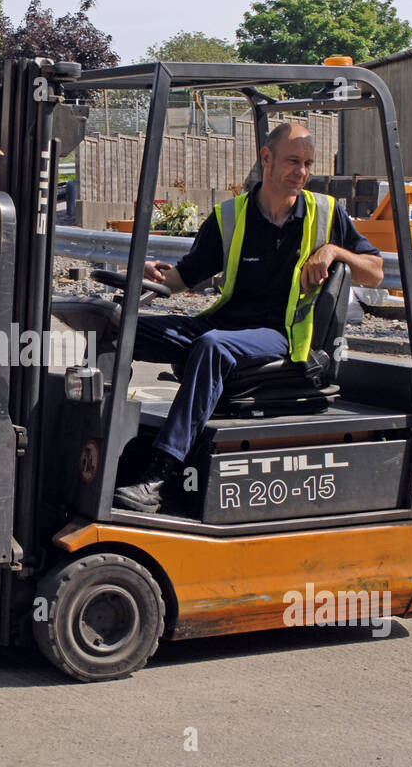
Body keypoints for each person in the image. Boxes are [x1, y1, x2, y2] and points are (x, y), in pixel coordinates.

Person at [113, 122, 385, 513]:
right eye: (293, 161)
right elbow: (184, 279)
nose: (301, 172)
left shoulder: (326, 213)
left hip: (282, 335)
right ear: (267, 158)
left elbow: (374, 271)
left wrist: (335, 252)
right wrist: (154, 275)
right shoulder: (230, 216)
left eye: (308, 163)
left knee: (213, 346)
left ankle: (160, 473)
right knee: (120, 325)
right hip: (226, 325)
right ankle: (99, 439)